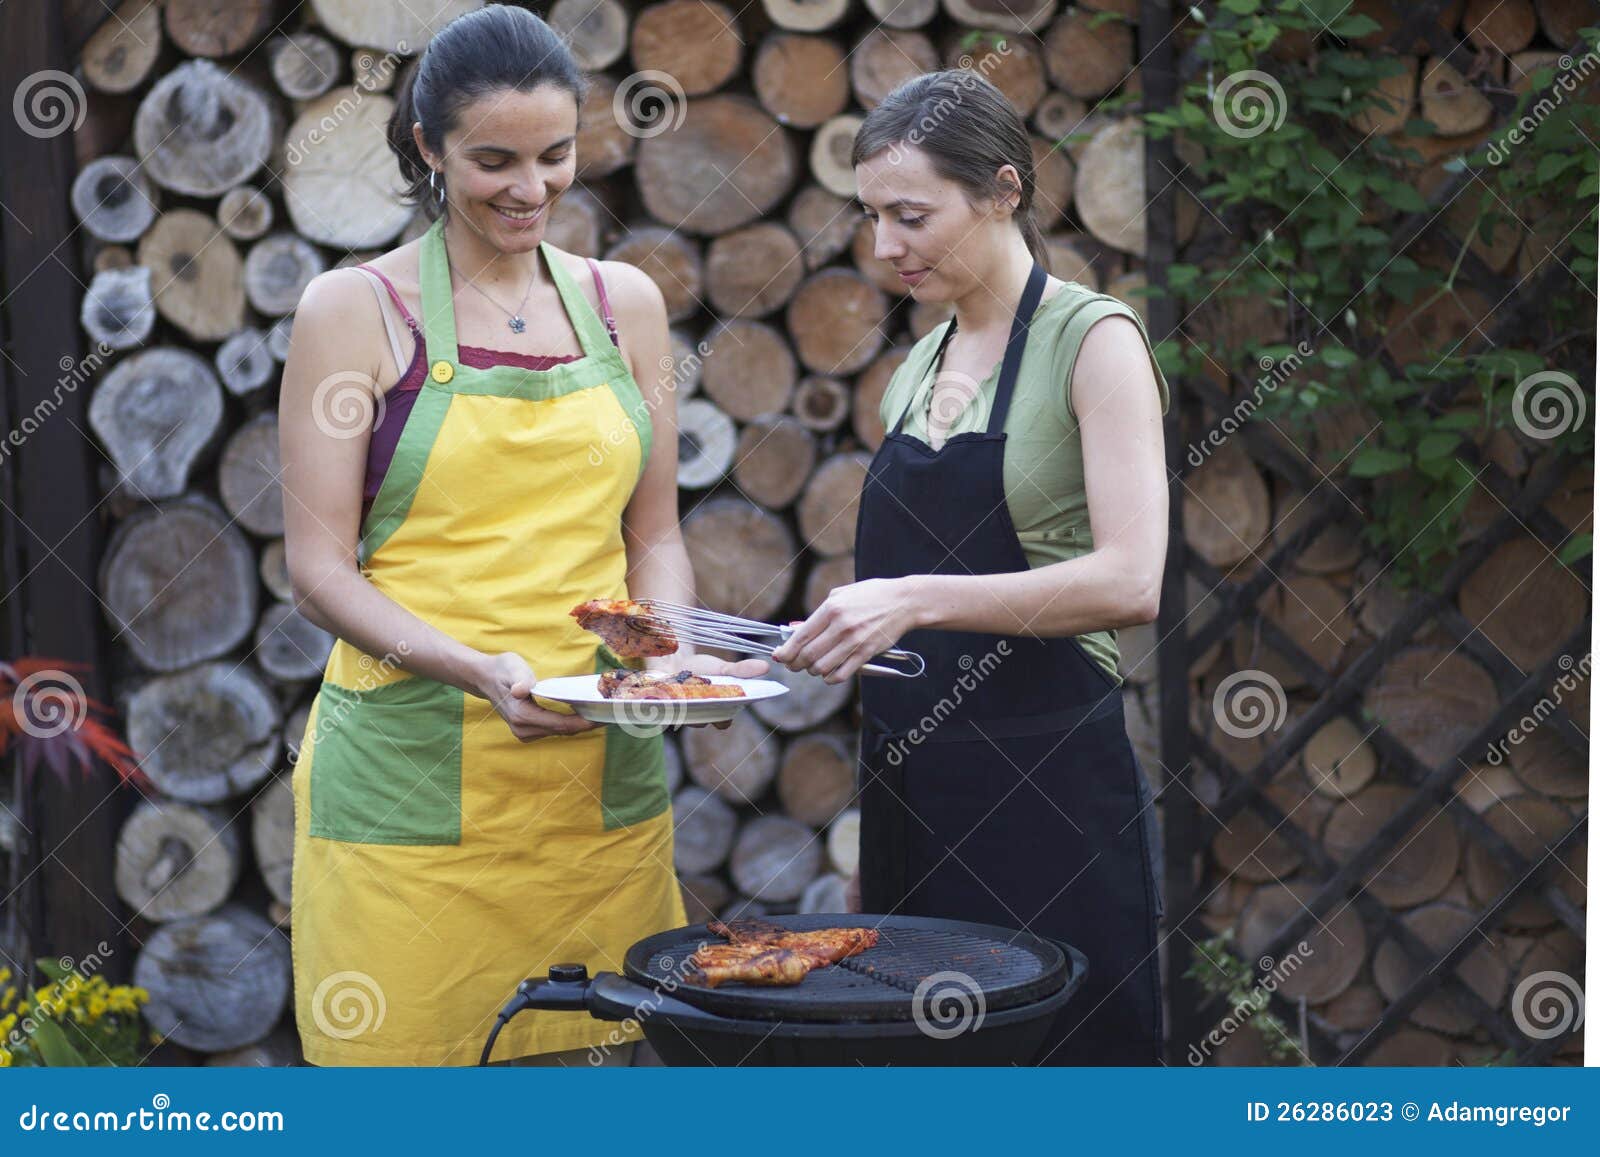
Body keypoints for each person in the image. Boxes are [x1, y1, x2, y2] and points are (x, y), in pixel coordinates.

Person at [278, 4, 761, 1066]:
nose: (530, 188)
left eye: (554, 156)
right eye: (492, 160)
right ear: (426, 148)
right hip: (412, 783)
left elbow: (656, 535)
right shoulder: (352, 311)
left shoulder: (623, 305)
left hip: (595, 789)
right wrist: (474, 668)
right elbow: (314, 570)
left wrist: (668, 647)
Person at [771, 70, 1170, 1066]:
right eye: (871, 218)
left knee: (1064, 1072)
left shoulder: (1094, 340)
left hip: (1047, 797)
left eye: (910, 216)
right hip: (912, 795)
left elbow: (1131, 580)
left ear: (1000, 190)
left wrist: (912, 598)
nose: (883, 248)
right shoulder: (919, 364)